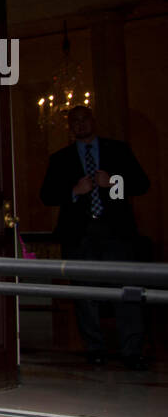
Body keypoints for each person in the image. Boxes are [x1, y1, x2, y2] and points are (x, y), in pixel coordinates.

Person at [39, 105, 151, 369]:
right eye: (74, 121)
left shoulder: (117, 150)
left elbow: (142, 184)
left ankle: (131, 351)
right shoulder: (61, 158)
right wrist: (75, 191)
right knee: (85, 296)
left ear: (93, 120)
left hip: (117, 234)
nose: (79, 124)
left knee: (126, 292)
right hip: (81, 235)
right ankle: (95, 350)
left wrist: (113, 183)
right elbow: (47, 195)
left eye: (84, 119)